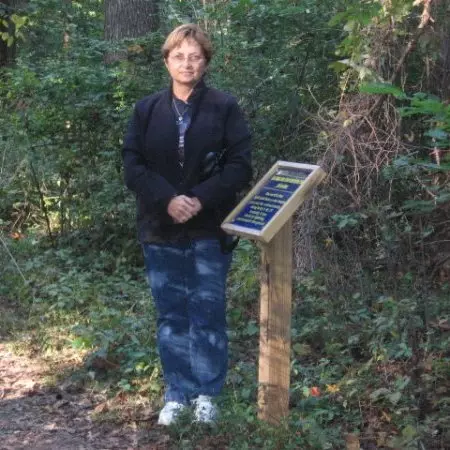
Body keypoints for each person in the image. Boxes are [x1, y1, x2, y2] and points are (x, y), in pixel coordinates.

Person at [122, 23, 252, 426]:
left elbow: (239, 166)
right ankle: (177, 394)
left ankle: (207, 397)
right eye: (179, 56)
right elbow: (132, 164)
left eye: (195, 56)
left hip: (209, 227)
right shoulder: (146, 110)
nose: (187, 63)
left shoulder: (224, 107)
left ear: (206, 62)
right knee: (171, 313)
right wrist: (168, 199)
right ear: (166, 61)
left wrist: (199, 199)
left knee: (208, 311)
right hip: (160, 227)